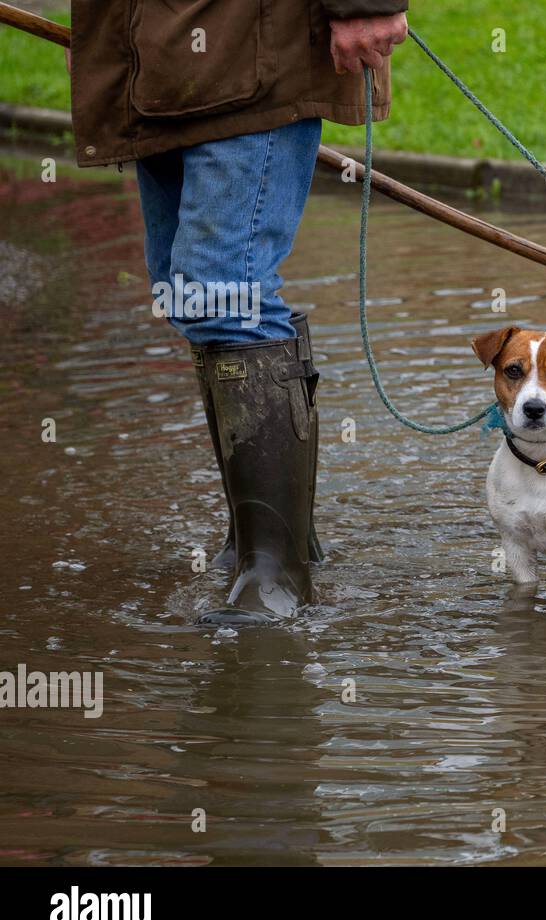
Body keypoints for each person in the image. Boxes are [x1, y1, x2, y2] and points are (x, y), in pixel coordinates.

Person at [67, 1, 409, 625]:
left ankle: (276, 575)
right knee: (191, 297)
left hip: (255, 41)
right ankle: (266, 540)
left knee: (226, 293)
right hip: (159, 52)